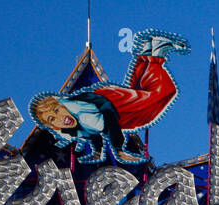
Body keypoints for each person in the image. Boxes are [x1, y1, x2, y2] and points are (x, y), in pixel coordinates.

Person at [29, 29, 189, 164]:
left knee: (158, 97)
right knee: (141, 96)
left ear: (62, 105)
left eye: (57, 110)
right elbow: (91, 132)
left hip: (113, 103)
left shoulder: (82, 111)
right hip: (112, 105)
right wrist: (98, 152)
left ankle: (157, 51)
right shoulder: (71, 126)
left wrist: (119, 151)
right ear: (53, 127)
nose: (59, 117)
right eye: (52, 119)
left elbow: (106, 121)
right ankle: (147, 51)